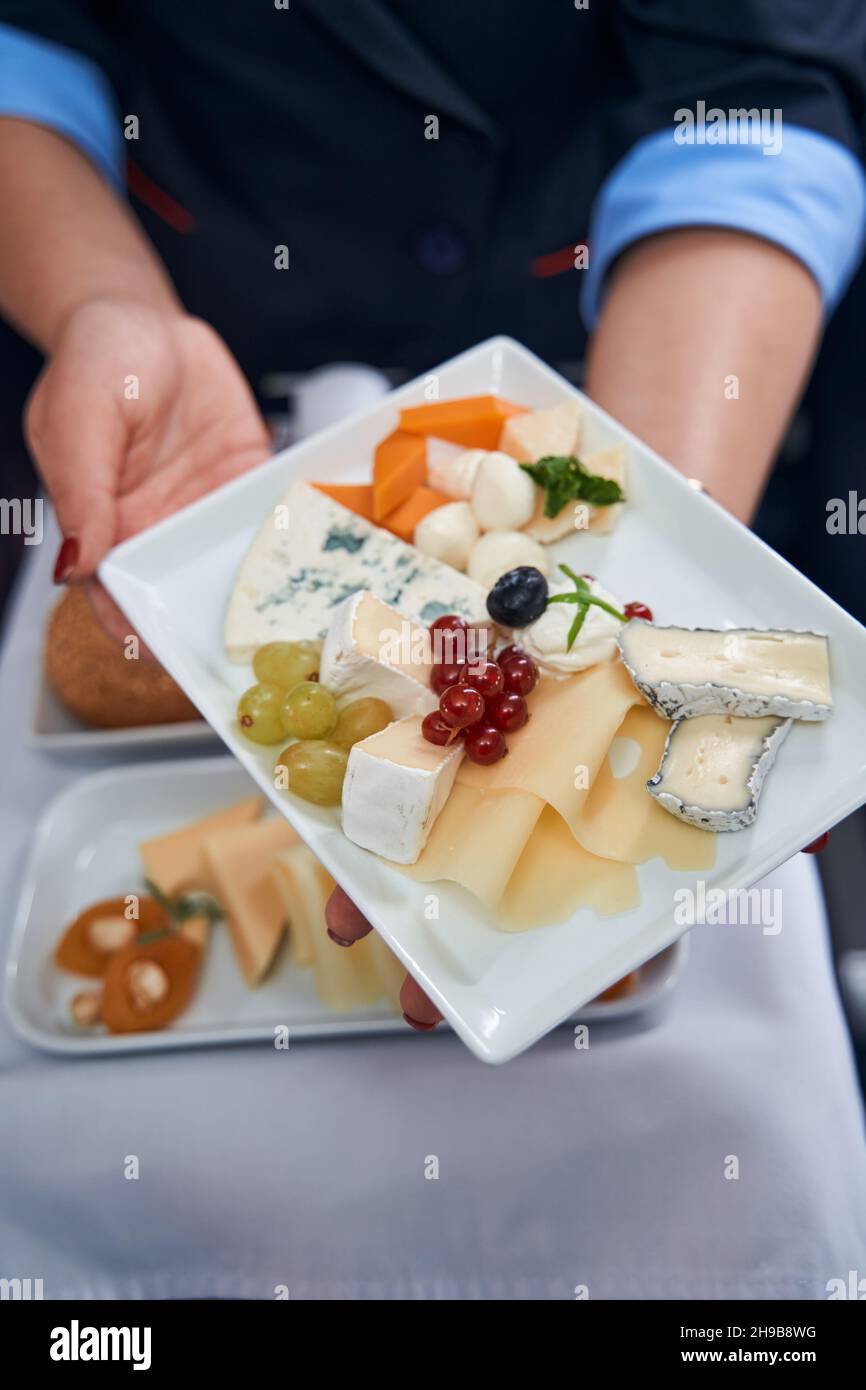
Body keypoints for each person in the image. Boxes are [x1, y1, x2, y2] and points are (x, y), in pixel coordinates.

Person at [1, 2, 864, 1031]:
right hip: (207, 331)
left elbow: (745, 96)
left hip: (623, 356)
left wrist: (663, 513)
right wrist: (101, 301)